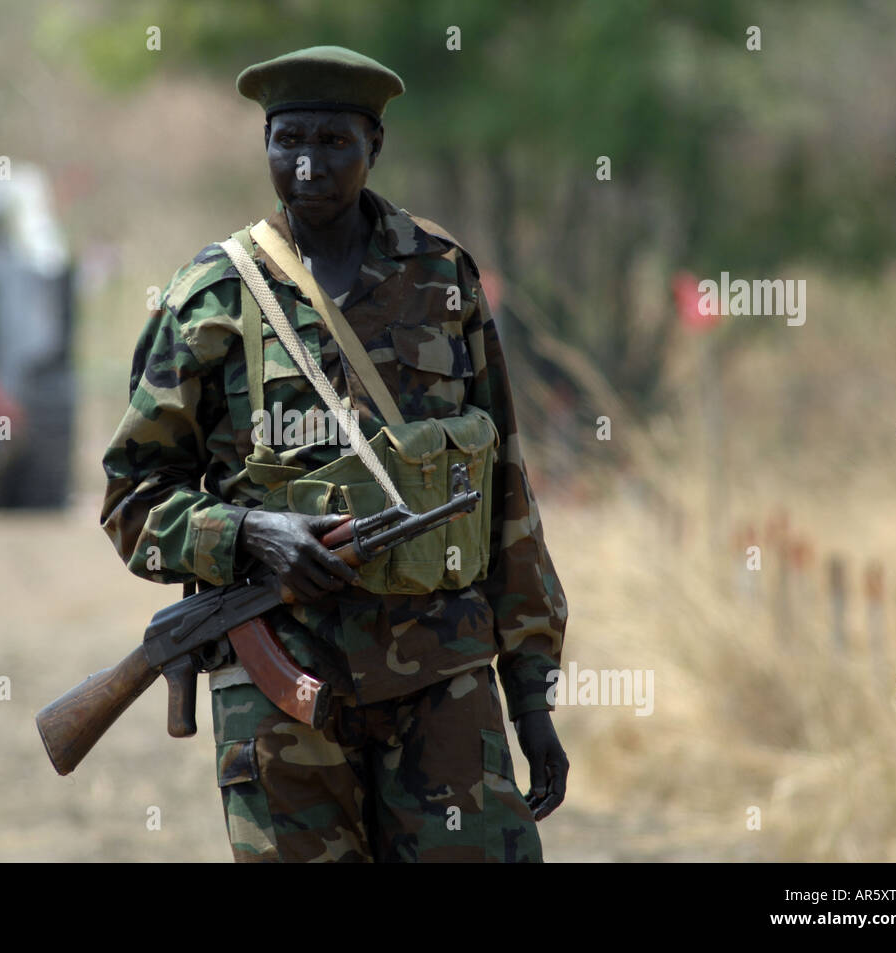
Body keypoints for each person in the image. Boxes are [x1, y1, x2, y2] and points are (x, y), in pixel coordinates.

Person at [101, 46, 569, 861]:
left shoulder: (441, 275)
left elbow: (505, 490)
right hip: (283, 675)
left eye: (334, 141)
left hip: (443, 673)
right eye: (289, 142)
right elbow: (133, 500)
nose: (309, 165)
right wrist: (251, 533)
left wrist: (532, 696)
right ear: (268, 145)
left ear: (374, 145)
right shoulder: (212, 297)